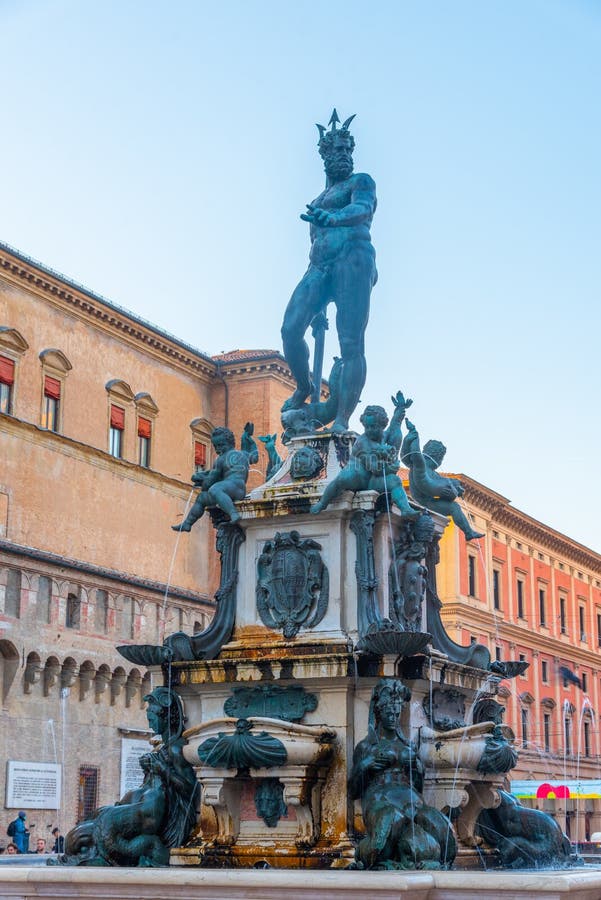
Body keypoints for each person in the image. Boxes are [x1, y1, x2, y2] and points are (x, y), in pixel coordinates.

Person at [281, 110, 378, 434]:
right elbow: (314, 246)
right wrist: (318, 306)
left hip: (353, 259)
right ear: (324, 157)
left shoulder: (360, 182)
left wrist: (333, 219)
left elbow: (362, 209)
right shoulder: (317, 201)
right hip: (320, 266)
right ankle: (305, 385)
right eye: (335, 151)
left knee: (351, 342)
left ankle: (342, 419)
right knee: (290, 328)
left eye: (345, 151)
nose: (342, 156)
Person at [349, 679, 456, 870]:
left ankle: (431, 859)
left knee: (439, 825)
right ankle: (374, 855)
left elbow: (418, 784)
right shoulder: (366, 746)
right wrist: (366, 765)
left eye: (397, 713)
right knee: (392, 820)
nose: (393, 717)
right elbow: (353, 790)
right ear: (379, 713)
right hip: (381, 800)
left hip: (412, 800)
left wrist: (416, 768)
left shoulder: (407, 746)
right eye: (389, 713)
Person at [311, 392, 416, 518]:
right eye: (367, 427)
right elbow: (375, 468)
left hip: (371, 481)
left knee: (395, 481)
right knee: (341, 480)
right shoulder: (362, 442)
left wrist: (400, 410)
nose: (370, 430)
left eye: (374, 427)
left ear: (383, 425)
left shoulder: (383, 436)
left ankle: (405, 509)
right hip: (357, 477)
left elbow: (394, 426)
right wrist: (390, 467)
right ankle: (323, 502)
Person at [400, 420, 484, 542]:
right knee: (454, 507)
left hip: (429, 502)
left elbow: (442, 485)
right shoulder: (420, 467)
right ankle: (468, 532)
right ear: (438, 458)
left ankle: (469, 532)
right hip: (424, 503)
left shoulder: (432, 473)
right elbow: (429, 486)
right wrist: (413, 435)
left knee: (453, 503)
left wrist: (454, 488)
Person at [172, 427, 249, 531]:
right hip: (237, 489)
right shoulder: (242, 455)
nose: (217, 449)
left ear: (229, 443)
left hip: (233, 488)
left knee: (214, 489)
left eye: (220, 445)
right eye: (215, 446)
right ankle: (187, 523)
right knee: (201, 498)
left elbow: (210, 481)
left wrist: (202, 482)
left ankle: (233, 513)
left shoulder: (220, 459)